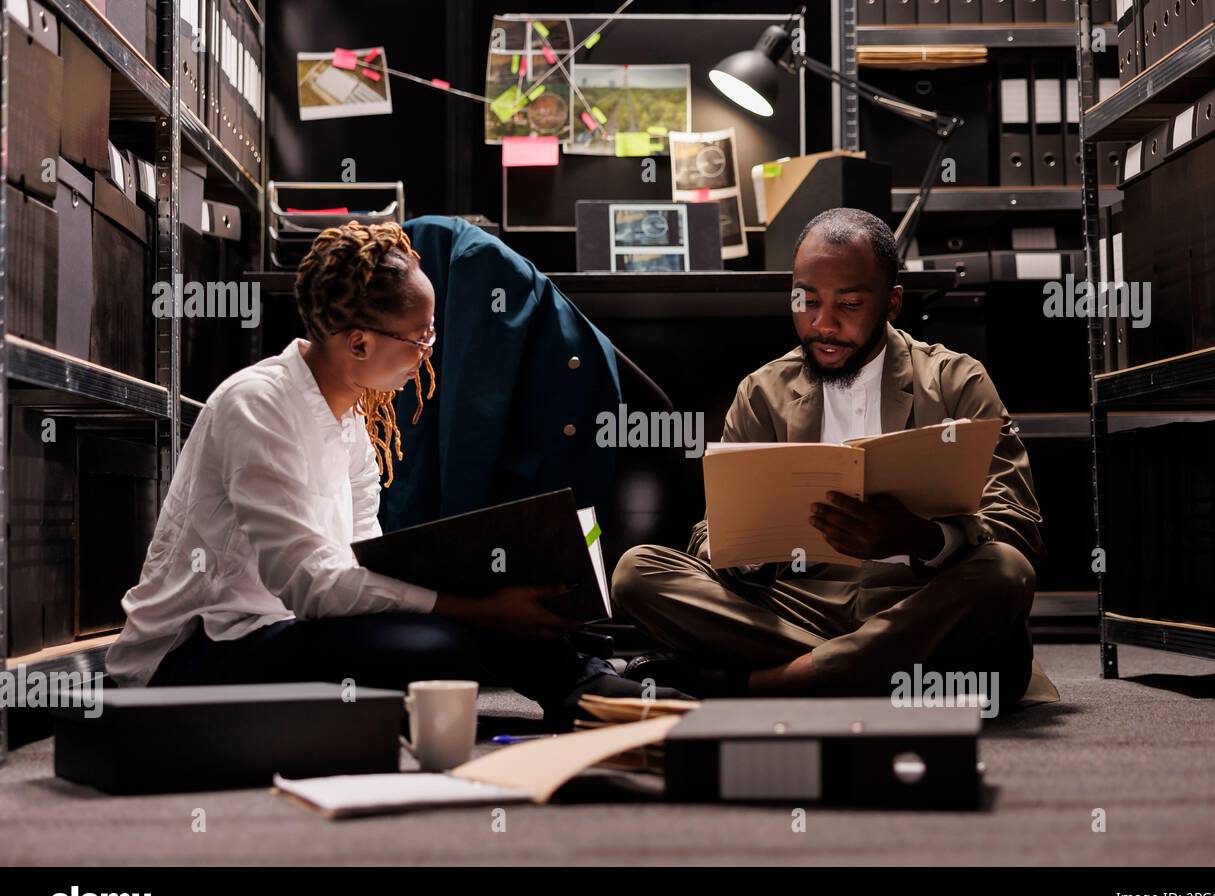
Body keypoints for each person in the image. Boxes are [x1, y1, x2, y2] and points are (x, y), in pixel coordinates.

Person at [106, 220, 687, 723]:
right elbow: (314, 586)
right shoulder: (255, 406)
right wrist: (476, 610)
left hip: (281, 624)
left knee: (450, 615)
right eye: (420, 338)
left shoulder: (350, 414)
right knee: (435, 642)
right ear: (359, 343)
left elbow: (363, 559)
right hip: (197, 652)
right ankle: (581, 688)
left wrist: (463, 585)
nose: (429, 352)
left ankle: (579, 686)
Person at [611, 208, 1058, 712]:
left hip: (920, 598)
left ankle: (764, 683)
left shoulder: (956, 380)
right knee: (637, 573)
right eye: (806, 300)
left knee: (1005, 572)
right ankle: (888, 674)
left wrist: (917, 537)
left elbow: (1017, 528)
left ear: (891, 304)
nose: (822, 324)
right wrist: (747, 549)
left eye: (848, 303)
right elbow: (709, 533)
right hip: (802, 606)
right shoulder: (762, 392)